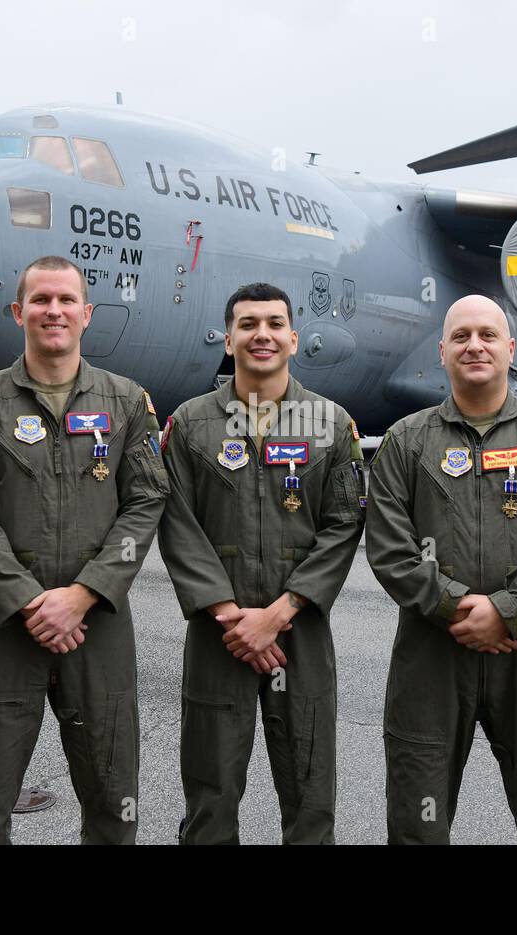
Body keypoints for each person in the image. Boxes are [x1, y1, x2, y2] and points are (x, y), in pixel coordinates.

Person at [366, 294, 517, 844]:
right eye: (461, 336)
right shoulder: (406, 441)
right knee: (416, 818)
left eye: (488, 335)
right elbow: (388, 546)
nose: (475, 345)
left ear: (510, 347)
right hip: (431, 651)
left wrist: (508, 610)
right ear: (442, 351)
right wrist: (454, 605)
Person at [0, 256, 166, 844]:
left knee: (112, 795)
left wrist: (85, 593)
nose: (54, 311)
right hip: (5, 627)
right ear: (18, 312)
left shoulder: (125, 404)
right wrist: (25, 599)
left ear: (87, 314)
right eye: (40, 300)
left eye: (67, 300)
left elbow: (146, 503)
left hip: (99, 626)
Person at [158, 282, 365, 844]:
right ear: (228, 339)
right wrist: (230, 615)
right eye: (248, 325)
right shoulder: (192, 424)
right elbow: (177, 522)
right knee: (211, 785)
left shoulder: (329, 424)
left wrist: (279, 613)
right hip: (217, 635)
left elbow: (344, 524)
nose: (262, 335)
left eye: (274, 324)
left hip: (300, 631)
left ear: (294, 339)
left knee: (310, 784)